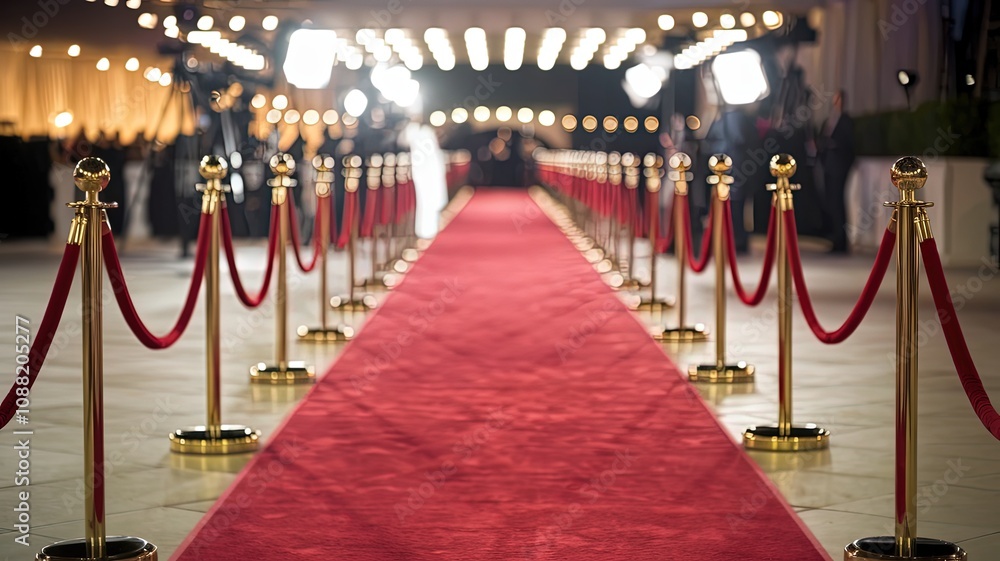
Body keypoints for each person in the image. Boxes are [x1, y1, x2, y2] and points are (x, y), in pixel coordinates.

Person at [818, 90, 855, 253]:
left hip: (839, 168)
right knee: (831, 203)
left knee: (838, 203)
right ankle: (834, 238)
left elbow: (849, 144)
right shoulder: (829, 121)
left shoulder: (846, 121)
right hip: (828, 166)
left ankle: (841, 241)